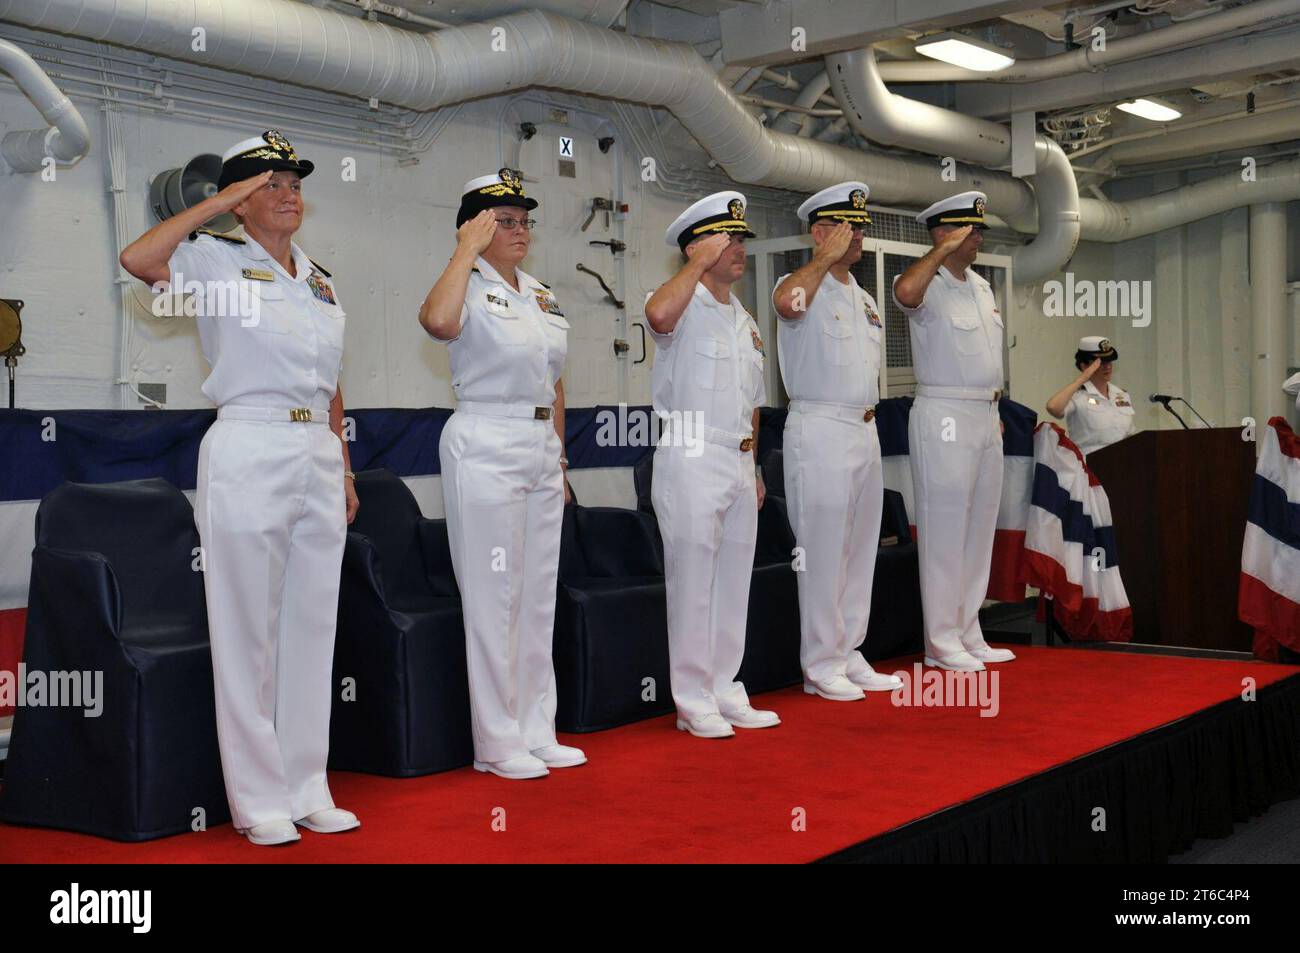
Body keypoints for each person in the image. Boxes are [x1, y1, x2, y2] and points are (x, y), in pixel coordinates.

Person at [119, 130, 359, 846]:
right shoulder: (212, 259)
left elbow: (332, 378)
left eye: (294, 183)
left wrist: (342, 462)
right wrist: (212, 206)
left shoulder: (320, 277)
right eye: (271, 184)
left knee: (312, 627)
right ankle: (259, 800)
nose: (288, 195)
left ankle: (306, 782)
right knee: (249, 630)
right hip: (249, 442)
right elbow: (138, 259)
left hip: (314, 446)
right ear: (241, 200)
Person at [418, 169, 584, 780]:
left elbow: (556, 381)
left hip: (539, 443)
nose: (518, 231)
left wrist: (560, 457)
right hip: (485, 437)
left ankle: (537, 726)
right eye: (503, 221)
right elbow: (436, 322)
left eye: (522, 221)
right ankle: (496, 741)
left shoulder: (540, 294)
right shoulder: (464, 281)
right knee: (494, 597)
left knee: (538, 595)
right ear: (477, 227)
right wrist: (464, 251)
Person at [644, 190, 780, 738]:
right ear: (696, 247)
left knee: (732, 583)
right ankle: (692, 698)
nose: (739, 248)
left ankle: (726, 686)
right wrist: (696, 265)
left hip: (737, 459)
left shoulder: (742, 316)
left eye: (741, 238)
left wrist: (755, 467)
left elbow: (752, 401)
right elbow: (656, 315)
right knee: (693, 581)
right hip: (691, 451)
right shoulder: (679, 300)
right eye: (727, 239)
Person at [771, 182, 902, 701]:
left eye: (861, 227)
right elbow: (785, 303)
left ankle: (850, 650)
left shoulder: (865, 298)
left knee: (859, 547)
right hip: (819, 426)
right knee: (822, 549)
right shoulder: (799, 282)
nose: (859, 236)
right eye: (847, 226)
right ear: (820, 232)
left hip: (865, 428)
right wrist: (820, 260)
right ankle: (821, 662)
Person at [892, 190, 1016, 672]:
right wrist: (940, 251)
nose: (978, 236)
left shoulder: (982, 288)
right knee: (945, 530)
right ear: (944, 233)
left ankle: (969, 629)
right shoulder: (928, 283)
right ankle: (941, 641)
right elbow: (904, 293)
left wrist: (993, 410)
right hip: (943, 414)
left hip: (985, 415)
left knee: (978, 528)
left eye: (979, 228)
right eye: (969, 228)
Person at [1046, 336, 1135, 456]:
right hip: (1090, 467)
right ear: (1084, 366)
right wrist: (1083, 378)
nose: (1107, 366)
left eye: (1109, 361)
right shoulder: (1077, 397)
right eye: (1100, 363)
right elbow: (1053, 407)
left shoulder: (1121, 394)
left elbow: (1130, 435)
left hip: (1122, 464)